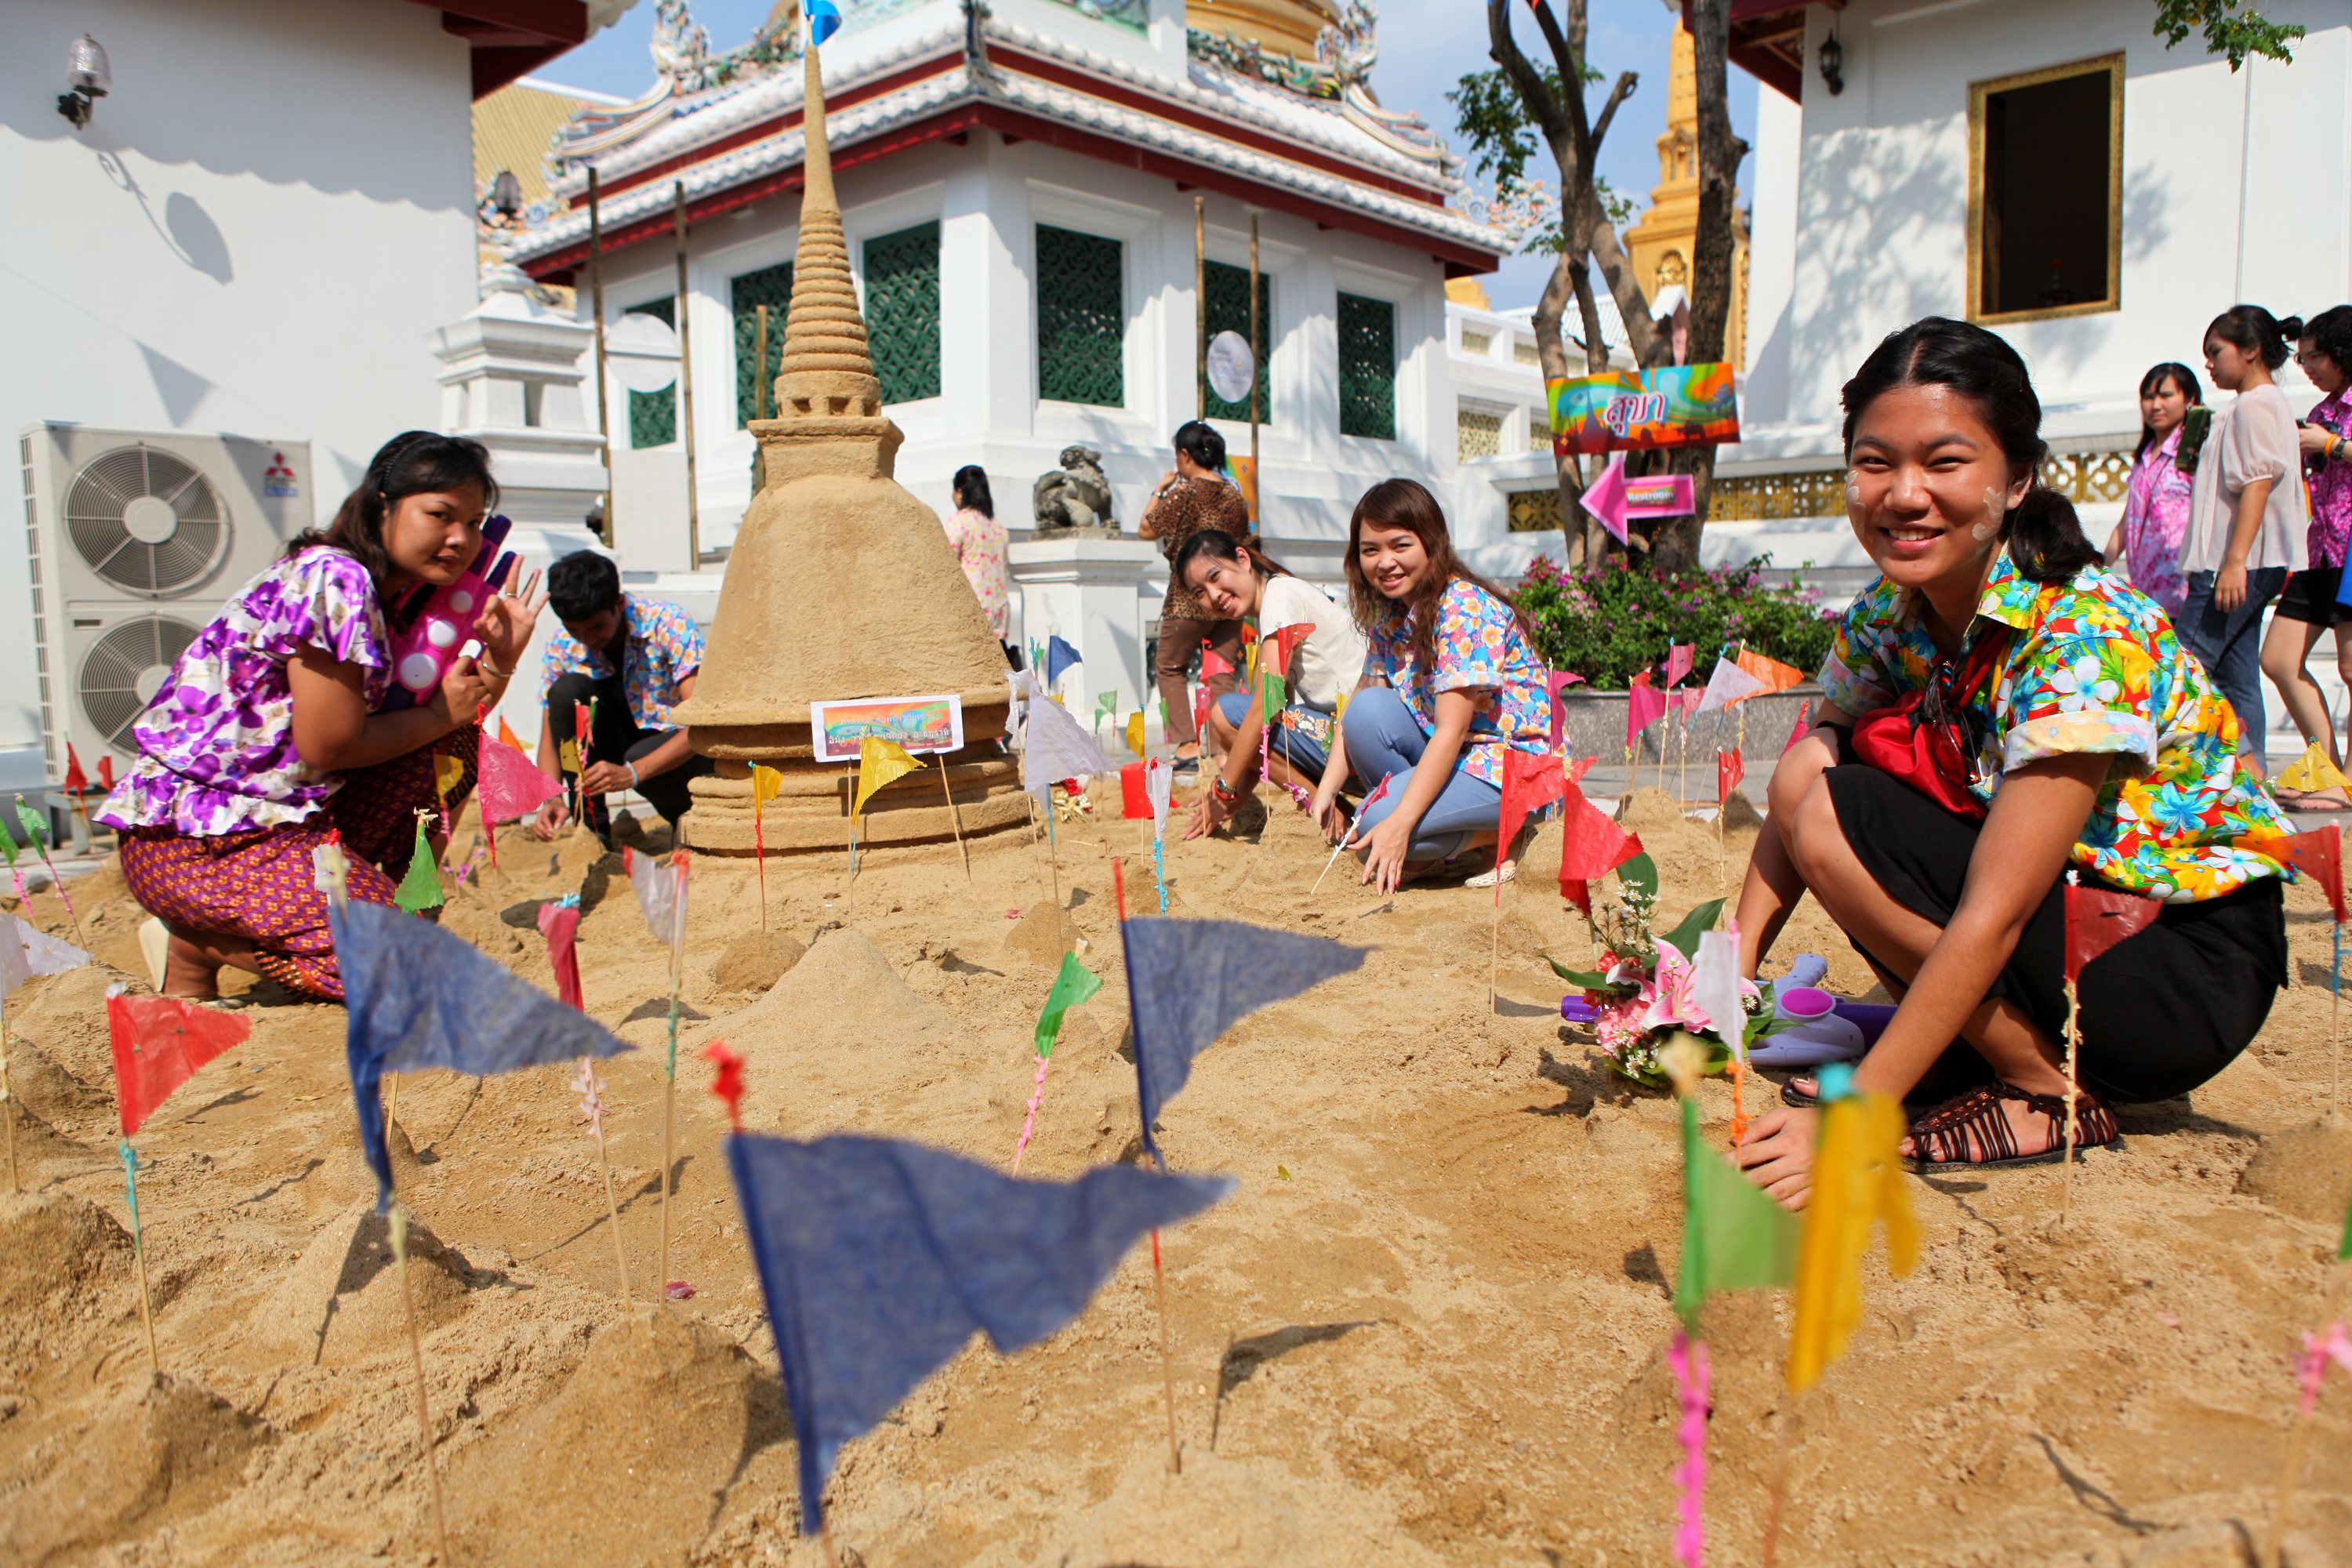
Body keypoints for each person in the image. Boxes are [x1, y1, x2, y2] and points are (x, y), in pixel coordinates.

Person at [1729, 318, 2288, 1207]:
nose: (1904, 495)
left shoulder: (2081, 629)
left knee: (1839, 813)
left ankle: (2040, 1085)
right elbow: (1804, 769)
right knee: (1811, 773)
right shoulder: (1895, 606)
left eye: (1945, 462)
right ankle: (1966, 1050)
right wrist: (1722, 980)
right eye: (1875, 462)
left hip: (2176, 961)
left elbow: (1994, 908)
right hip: (2064, 923)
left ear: (2017, 477)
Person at [96, 432, 546, 1000]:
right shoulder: (337, 577)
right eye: (440, 514)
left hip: (290, 825)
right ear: (383, 503)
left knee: (451, 752)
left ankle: (384, 918)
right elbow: (328, 746)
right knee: (406, 970)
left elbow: (448, 723)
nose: (460, 538)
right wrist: (436, 716)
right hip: (197, 844)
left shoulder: (386, 595)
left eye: (476, 522)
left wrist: (502, 662)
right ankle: (192, 942)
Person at [1320, 478, 1551, 894]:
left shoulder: (1464, 608)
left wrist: (1398, 821)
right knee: (1366, 711)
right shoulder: (1393, 616)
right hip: (1457, 756)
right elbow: (1357, 703)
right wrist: (1327, 789)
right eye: (1370, 550)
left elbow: (1452, 729)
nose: (1385, 562)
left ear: (1432, 542)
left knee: (1373, 826)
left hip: (1511, 766)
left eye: (1400, 545)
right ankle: (1429, 834)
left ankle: (1505, 829)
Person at [2179, 305, 2309, 777]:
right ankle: (2254, 783)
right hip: (2250, 561)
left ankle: (2238, 770)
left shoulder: (2256, 404)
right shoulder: (2256, 404)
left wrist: (2234, 562)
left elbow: (2257, 483)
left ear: (2252, 350)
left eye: (2216, 352)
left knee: (2185, 667)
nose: (2209, 364)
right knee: (2236, 675)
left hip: (2236, 562)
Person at [1174, 530, 1369, 840]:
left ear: (1242, 558)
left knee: (1225, 714)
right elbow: (1271, 725)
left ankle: (1337, 820)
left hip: (1363, 742)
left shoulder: (1279, 598)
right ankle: (1341, 817)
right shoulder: (1276, 601)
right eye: (1199, 592)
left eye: (1215, 576)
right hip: (1354, 744)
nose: (1213, 595)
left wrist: (1223, 791)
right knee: (1243, 722)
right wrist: (1235, 795)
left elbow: (1267, 706)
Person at [530, 551, 712, 842]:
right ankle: (591, 836)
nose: (586, 640)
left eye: (595, 628)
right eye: (573, 629)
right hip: (613, 748)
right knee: (565, 691)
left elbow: (703, 723)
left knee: (639, 755)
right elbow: (553, 736)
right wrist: (551, 796)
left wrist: (634, 772)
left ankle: (689, 821)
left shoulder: (668, 623)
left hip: (677, 755)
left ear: (620, 604)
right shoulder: (562, 646)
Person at [2261, 305, 2352, 809]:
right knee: (2276, 658)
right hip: (2318, 551)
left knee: (2351, 667)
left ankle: (2345, 781)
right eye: (2303, 358)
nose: (2308, 368)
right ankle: (2330, 767)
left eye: (2315, 357)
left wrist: (2334, 445)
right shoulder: (2322, 411)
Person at [1137, 420, 1249, 774]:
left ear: (1184, 455)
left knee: (1170, 667)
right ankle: (1222, 750)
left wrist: (1159, 488)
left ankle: (1187, 744)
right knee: (1220, 673)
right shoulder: (1234, 494)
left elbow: (1145, 529)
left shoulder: (1183, 493)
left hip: (1189, 596)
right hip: (1229, 597)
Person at [2100, 362, 2200, 615]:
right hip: (2146, 592)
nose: (2155, 406)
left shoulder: (2195, 451)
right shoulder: (2143, 457)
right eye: (2148, 397)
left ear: (2190, 398)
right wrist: (2101, 564)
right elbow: (2127, 522)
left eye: (2166, 396)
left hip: (2184, 588)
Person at [944, 464, 1014, 663]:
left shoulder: (960, 522)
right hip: (999, 611)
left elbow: (946, 563)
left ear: (959, 492)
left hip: (972, 608)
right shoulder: (999, 528)